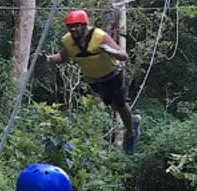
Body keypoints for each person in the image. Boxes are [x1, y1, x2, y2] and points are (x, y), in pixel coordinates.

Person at [42, 9, 140, 154]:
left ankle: (131, 132)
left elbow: (123, 55)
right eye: (71, 26)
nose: (74, 29)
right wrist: (47, 58)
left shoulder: (99, 36)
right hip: (94, 80)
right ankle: (133, 120)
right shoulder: (67, 41)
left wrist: (111, 51)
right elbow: (63, 57)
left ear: (85, 25)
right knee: (113, 105)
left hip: (112, 76)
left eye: (77, 25)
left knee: (120, 104)